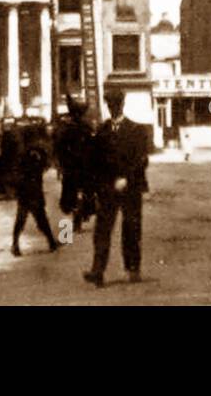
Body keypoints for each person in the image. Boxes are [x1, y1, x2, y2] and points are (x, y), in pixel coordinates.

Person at [84, 90, 149, 288]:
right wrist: (98, 187)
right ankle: (98, 271)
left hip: (131, 187)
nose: (113, 107)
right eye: (109, 104)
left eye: (115, 104)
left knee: (131, 228)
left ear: (122, 105)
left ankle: (132, 268)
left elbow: (141, 160)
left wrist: (126, 179)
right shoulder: (102, 131)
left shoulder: (136, 130)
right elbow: (95, 162)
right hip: (107, 189)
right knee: (102, 230)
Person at [11, 122, 59, 256]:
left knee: (21, 218)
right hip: (33, 189)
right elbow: (44, 166)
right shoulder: (35, 151)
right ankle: (51, 242)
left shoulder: (22, 151)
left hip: (24, 190)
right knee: (40, 217)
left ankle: (15, 244)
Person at [53, 97, 95, 231]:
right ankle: (80, 216)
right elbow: (93, 147)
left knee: (71, 193)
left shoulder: (66, 129)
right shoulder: (86, 127)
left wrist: (61, 164)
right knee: (83, 191)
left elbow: (59, 148)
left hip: (72, 167)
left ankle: (70, 227)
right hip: (84, 166)